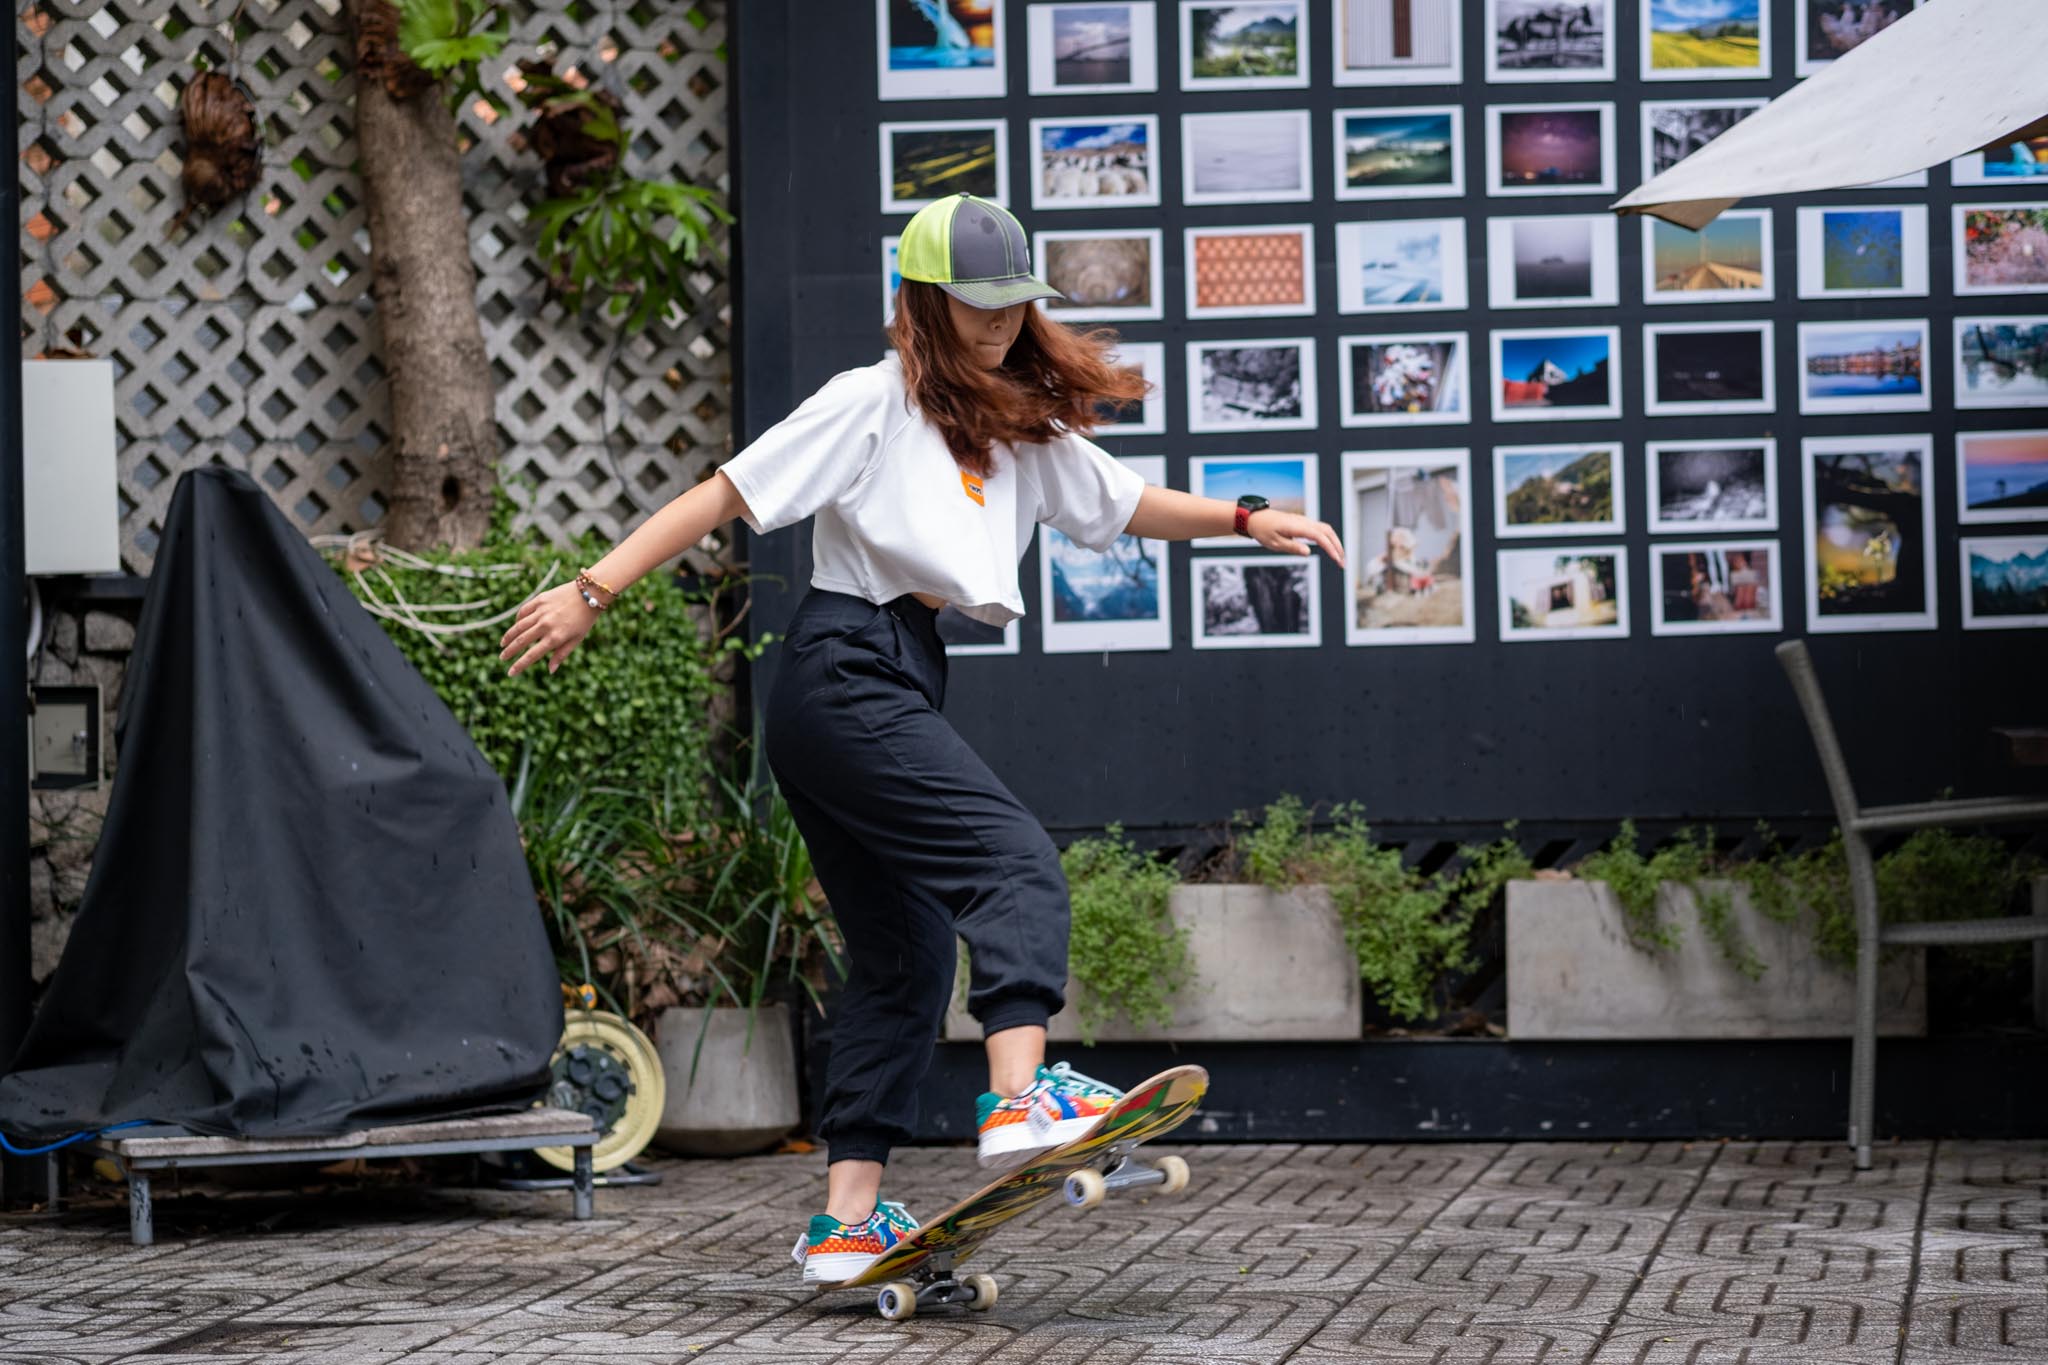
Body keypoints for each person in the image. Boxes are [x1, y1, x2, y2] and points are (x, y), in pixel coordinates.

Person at [498, 193, 1344, 1283]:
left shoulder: (1016, 425)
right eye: (974, 307)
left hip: (885, 680)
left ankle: (848, 1218)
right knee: (1011, 861)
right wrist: (590, 591)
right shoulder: (871, 402)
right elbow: (724, 495)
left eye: (1010, 308)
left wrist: (1244, 517)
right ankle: (1021, 1095)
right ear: (920, 303)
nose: (995, 328)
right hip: (842, 669)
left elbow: (1125, 503)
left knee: (904, 957)